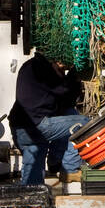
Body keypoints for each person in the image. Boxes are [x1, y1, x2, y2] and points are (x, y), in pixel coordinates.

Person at [9, 53, 88, 186]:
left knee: (33, 181)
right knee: (84, 123)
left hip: (19, 130)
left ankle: (33, 194)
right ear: (56, 62)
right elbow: (64, 90)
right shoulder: (42, 68)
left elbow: (65, 101)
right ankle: (68, 169)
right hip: (36, 127)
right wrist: (75, 73)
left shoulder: (29, 66)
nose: (63, 73)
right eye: (62, 70)